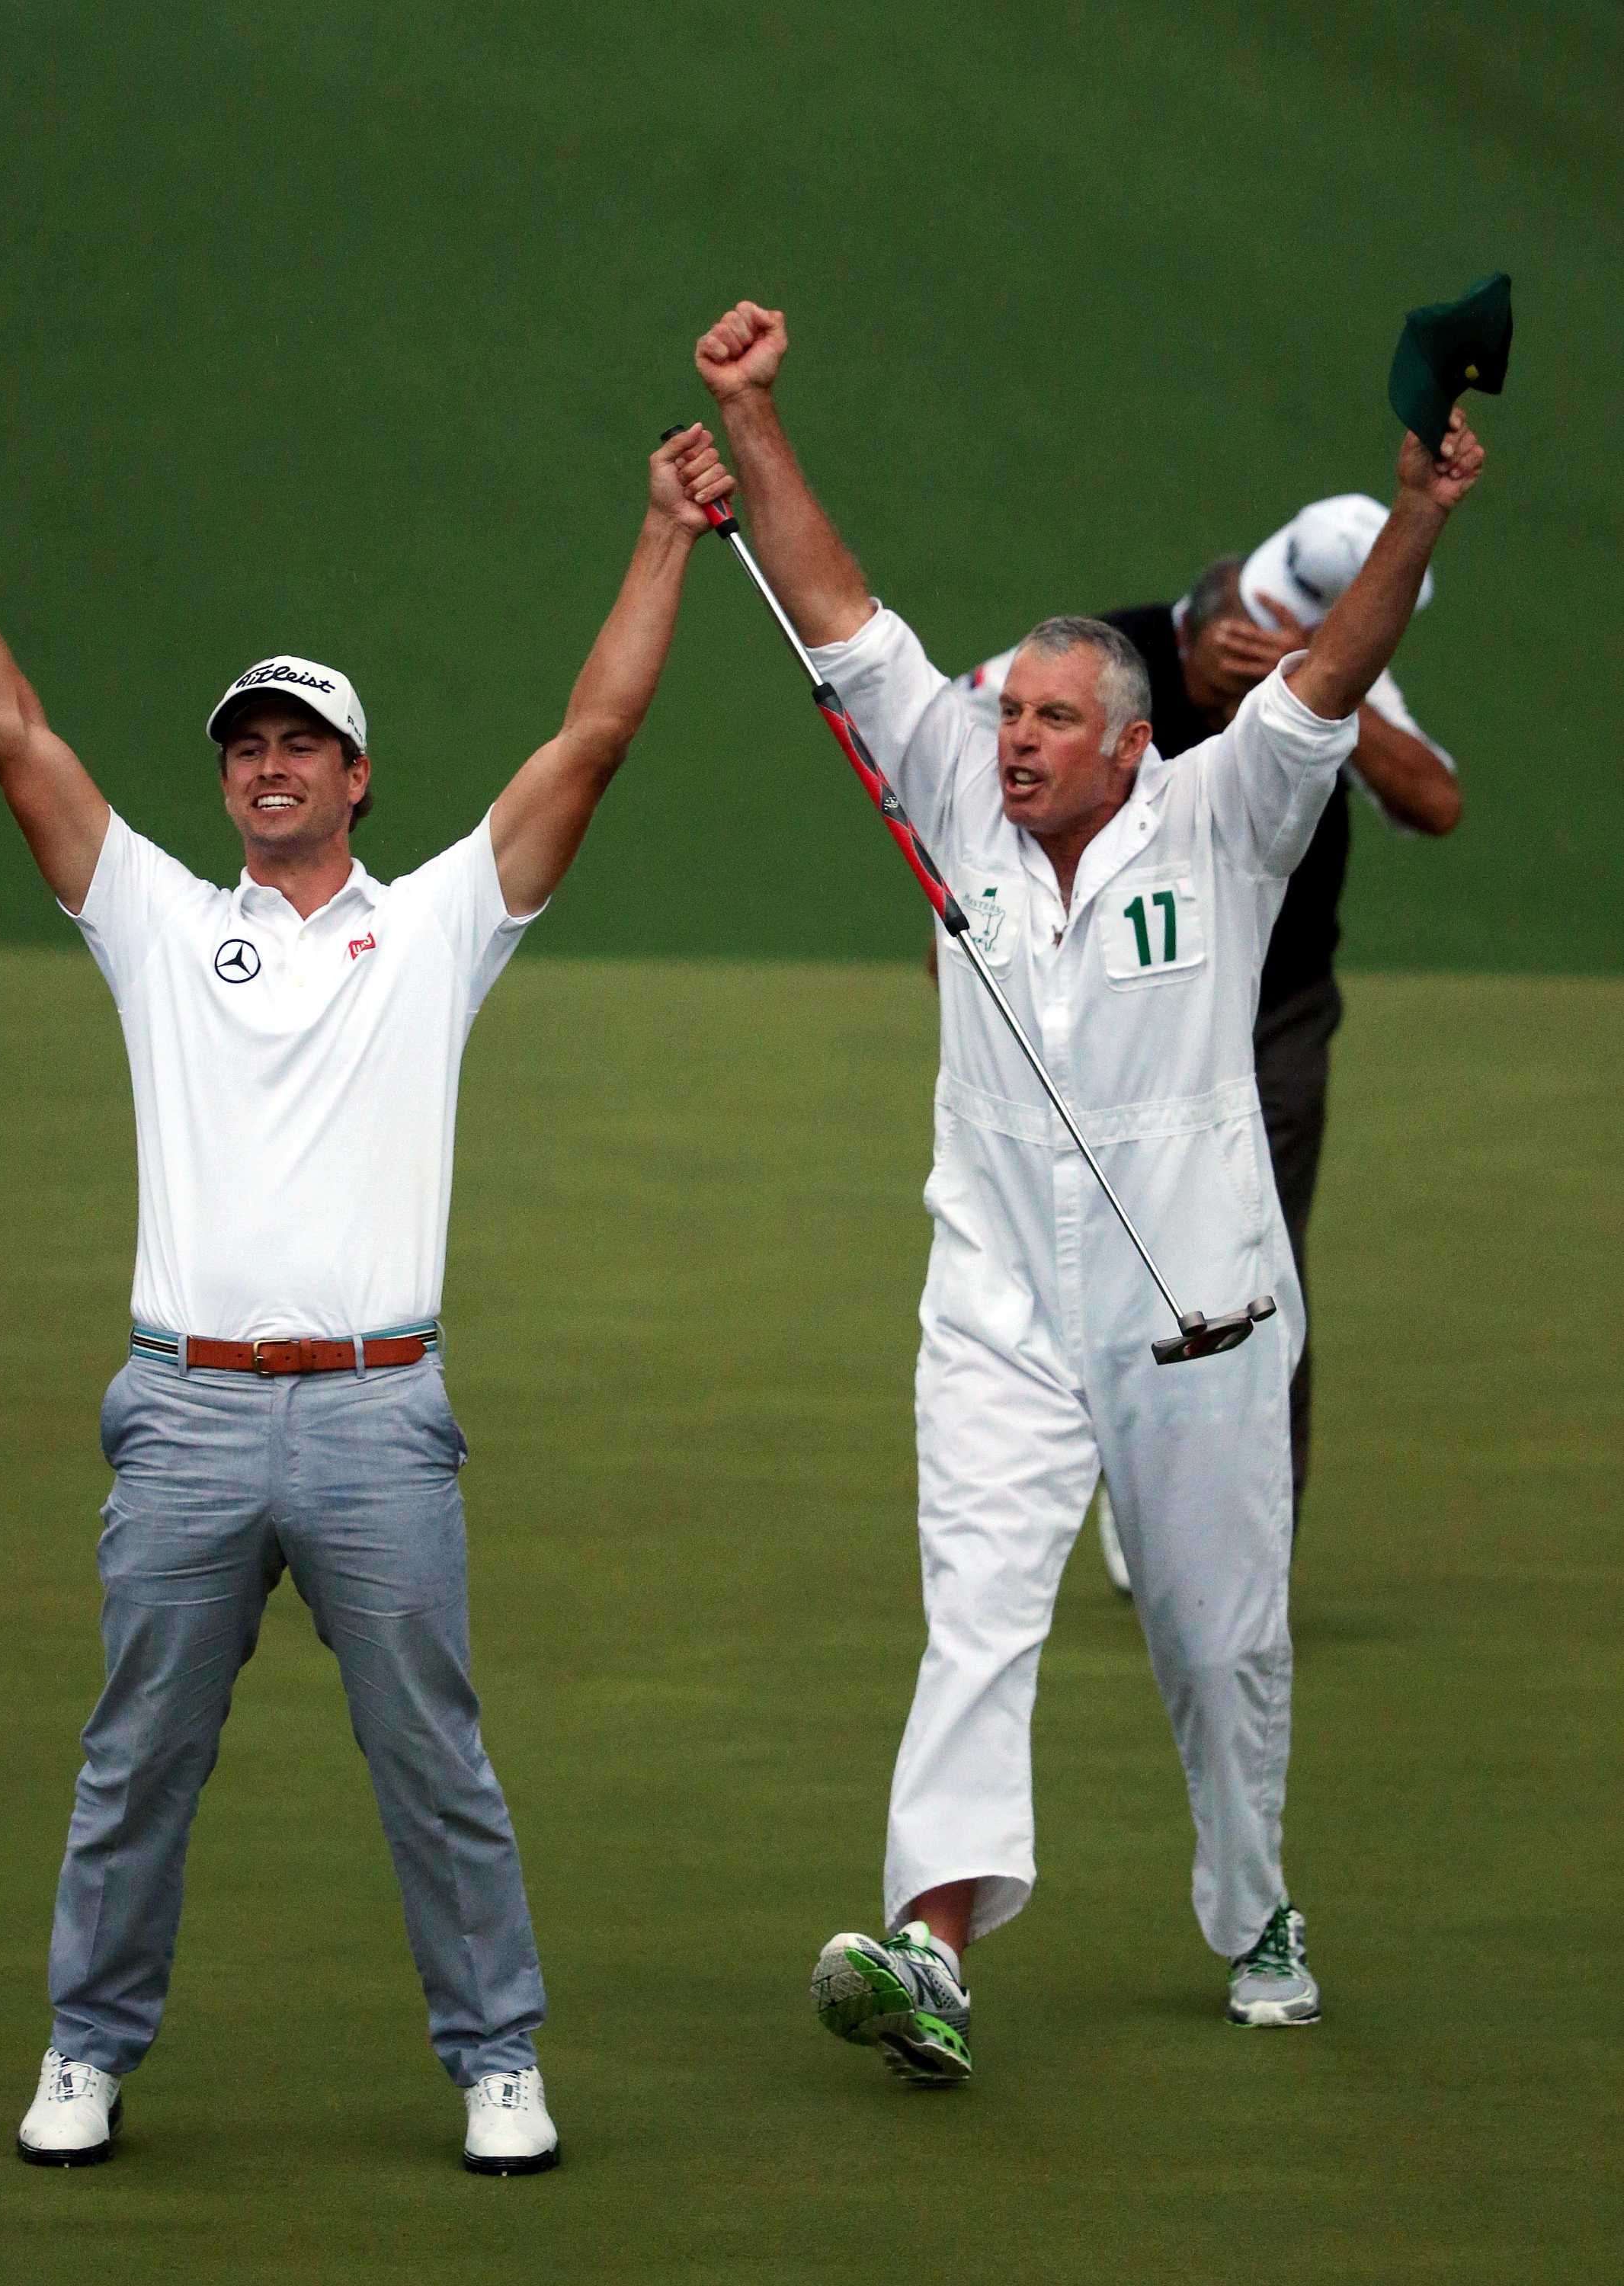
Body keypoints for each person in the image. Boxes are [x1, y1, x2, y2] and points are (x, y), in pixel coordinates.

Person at [0, 422, 735, 2172]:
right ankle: (85, 2053)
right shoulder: (154, 925)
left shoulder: (434, 930)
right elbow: (7, 731)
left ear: (358, 777)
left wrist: (662, 532)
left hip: (375, 1411)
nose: (269, 769)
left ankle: (498, 2061)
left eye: (303, 746)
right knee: (136, 1763)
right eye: (247, 749)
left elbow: (594, 735)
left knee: (436, 1763)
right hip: (183, 1409)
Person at [692, 299, 1486, 2074]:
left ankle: (1251, 1902)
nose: (1016, 736)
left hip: (1196, 1307)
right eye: (1010, 714)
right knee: (973, 1607)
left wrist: (1416, 516)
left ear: (1129, 743)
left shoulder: (1224, 821)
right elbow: (834, 613)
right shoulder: (956, 806)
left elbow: (1329, 679)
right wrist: (750, 415)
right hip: (992, 1296)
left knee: (1215, 1646)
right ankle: (929, 1952)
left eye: (1054, 716)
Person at [956, 504, 1462, 1586]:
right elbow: (966, 750)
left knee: (1255, 1256)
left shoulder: (1324, 675)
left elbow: (1434, 802)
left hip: (1271, 1017)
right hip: (1109, 1009)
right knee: (1081, 1240)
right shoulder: (1107, 661)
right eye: (1234, 640)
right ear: (1185, 633)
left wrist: (1313, 684)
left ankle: (1249, 1530)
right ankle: (1114, 1471)